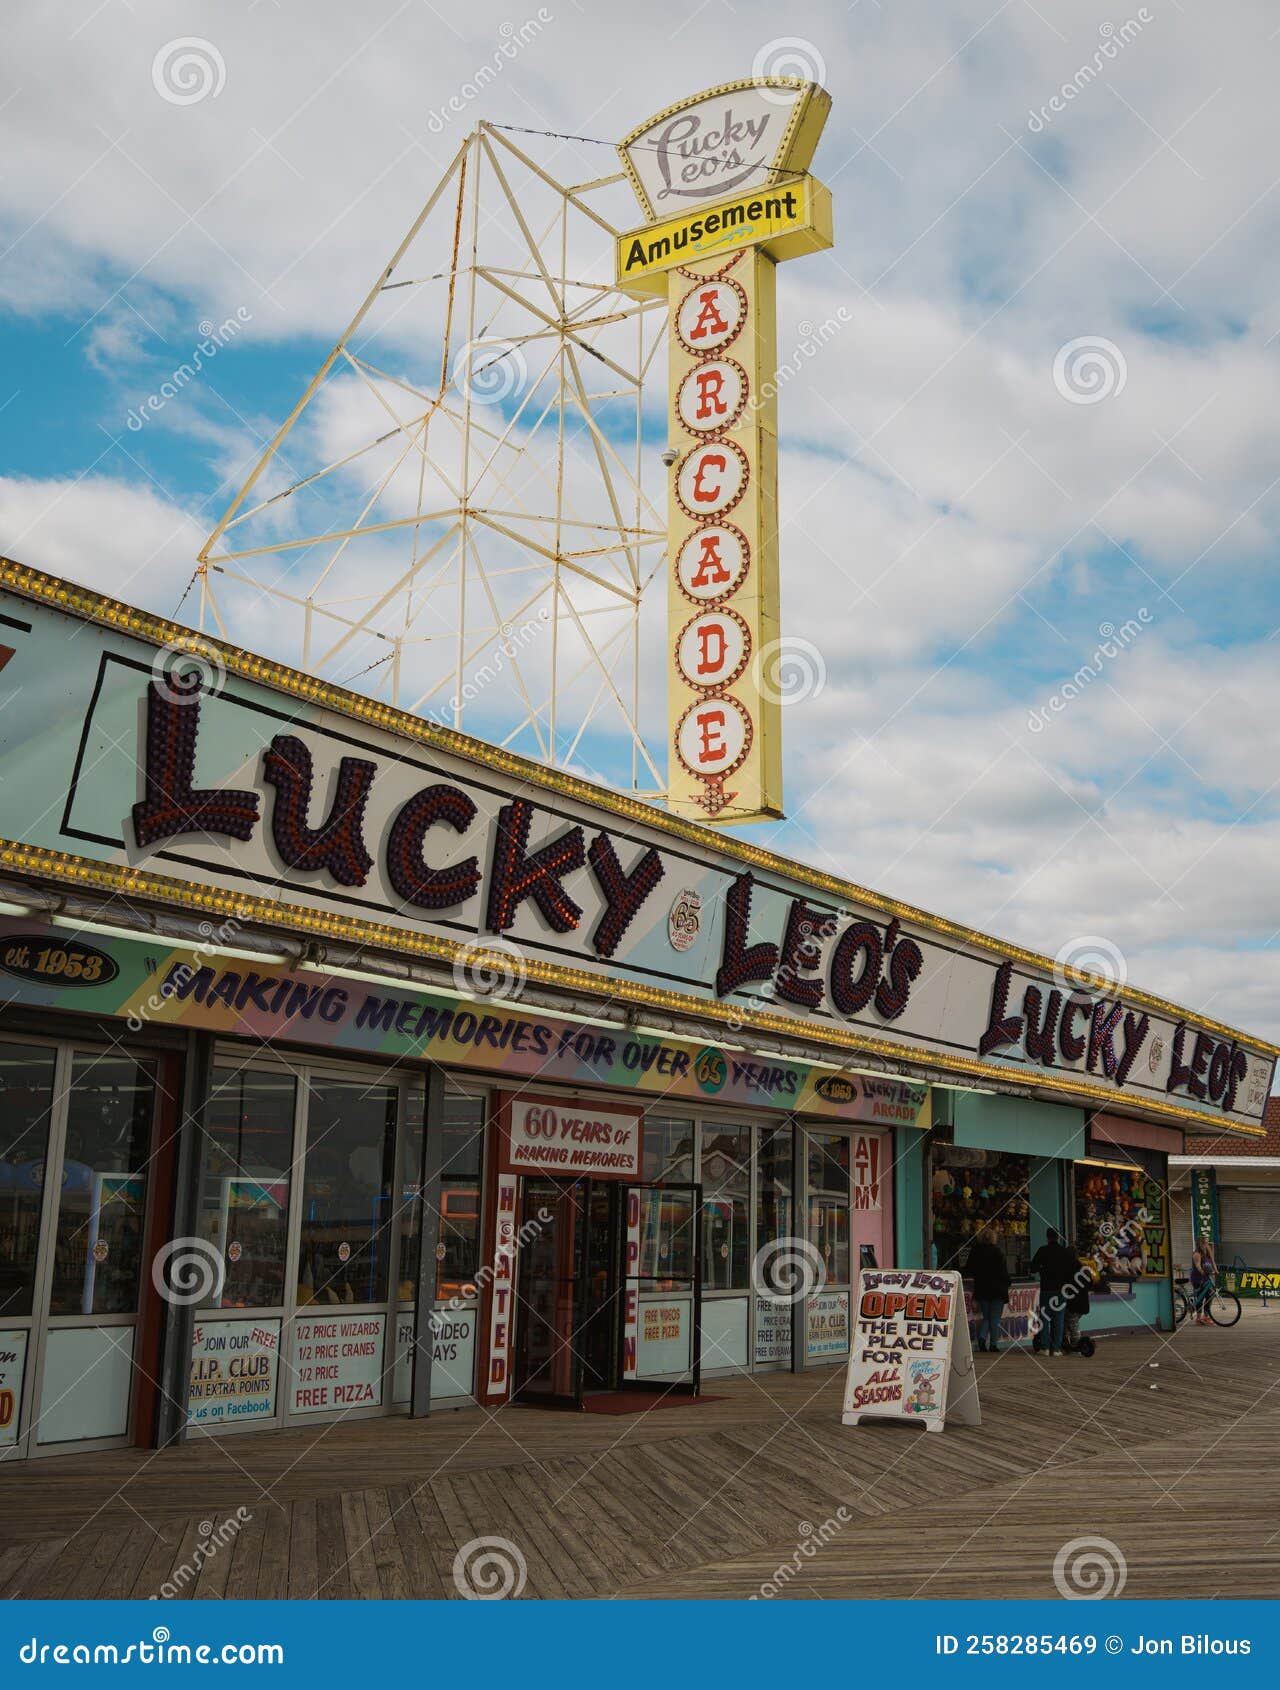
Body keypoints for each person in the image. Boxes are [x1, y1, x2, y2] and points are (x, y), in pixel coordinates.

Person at [1030, 1227, 1079, 1355]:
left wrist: (1042, 1269)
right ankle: (1056, 1349)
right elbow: (1072, 1271)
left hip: (1046, 1289)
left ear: (1047, 1237)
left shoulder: (1043, 1250)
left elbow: (1032, 1268)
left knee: (1045, 1318)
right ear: (1058, 1237)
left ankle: (1045, 1347)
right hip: (1061, 1291)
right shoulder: (1064, 1252)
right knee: (1059, 1319)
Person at [965, 1225, 1011, 1353]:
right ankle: (993, 1344)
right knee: (995, 1318)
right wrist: (1008, 1282)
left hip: (982, 1288)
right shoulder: (998, 1252)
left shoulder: (975, 1251)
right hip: (998, 1289)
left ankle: (981, 1338)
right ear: (993, 1238)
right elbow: (1003, 1272)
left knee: (986, 1317)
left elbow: (969, 1269)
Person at [1190, 1234, 1217, 1325]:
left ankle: (1206, 1316)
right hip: (1198, 1278)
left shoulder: (1208, 1252)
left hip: (1206, 1277)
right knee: (1200, 1297)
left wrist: (1216, 1271)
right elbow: (1197, 1266)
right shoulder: (1197, 1253)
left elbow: (1213, 1261)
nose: (1207, 1244)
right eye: (1206, 1243)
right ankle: (1198, 1318)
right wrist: (1203, 1272)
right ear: (1201, 1244)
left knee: (1209, 1296)